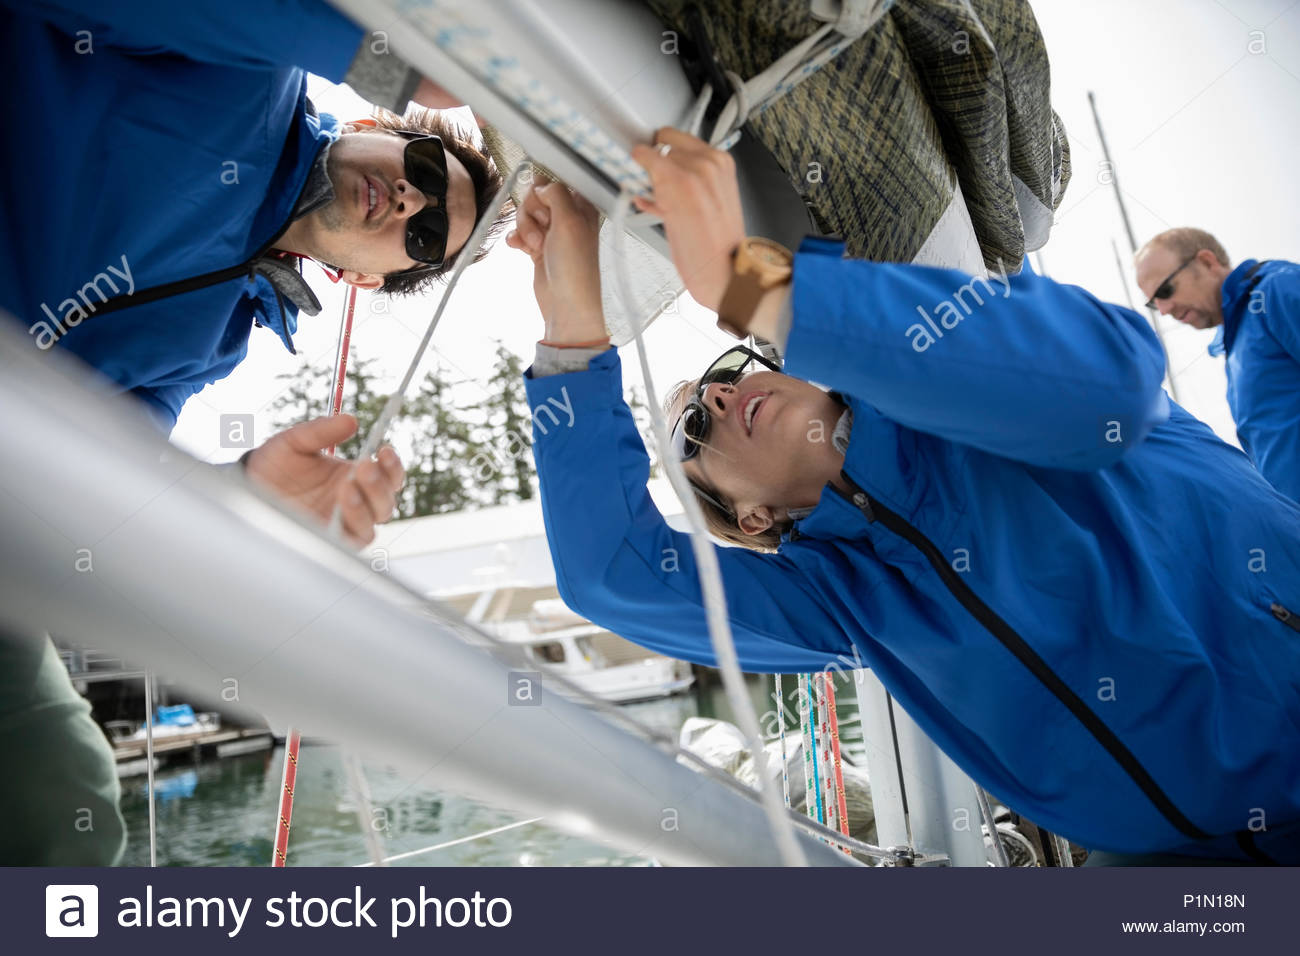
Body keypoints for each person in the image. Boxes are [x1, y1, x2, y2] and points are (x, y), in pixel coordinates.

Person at [508, 130, 1300, 864]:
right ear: (751, 518)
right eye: (691, 436)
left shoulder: (952, 383)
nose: (718, 401)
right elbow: (611, 572)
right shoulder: (837, 598)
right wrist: (572, 338)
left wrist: (756, 284)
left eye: (728, 374)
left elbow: (1116, 379)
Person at [0, 0, 517, 545]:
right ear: (368, 124)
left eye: (427, 236)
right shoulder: (256, 68)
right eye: (427, 166)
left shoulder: (211, 347)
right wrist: (386, 65)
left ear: (368, 280)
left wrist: (241, 492)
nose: (412, 200)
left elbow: (91, 484)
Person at [1135, 228, 1300, 503]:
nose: (1164, 310)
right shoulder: (1239, 339)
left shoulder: (1276, 290)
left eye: (1165, 290)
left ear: (1207, 262)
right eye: (1155, 304)